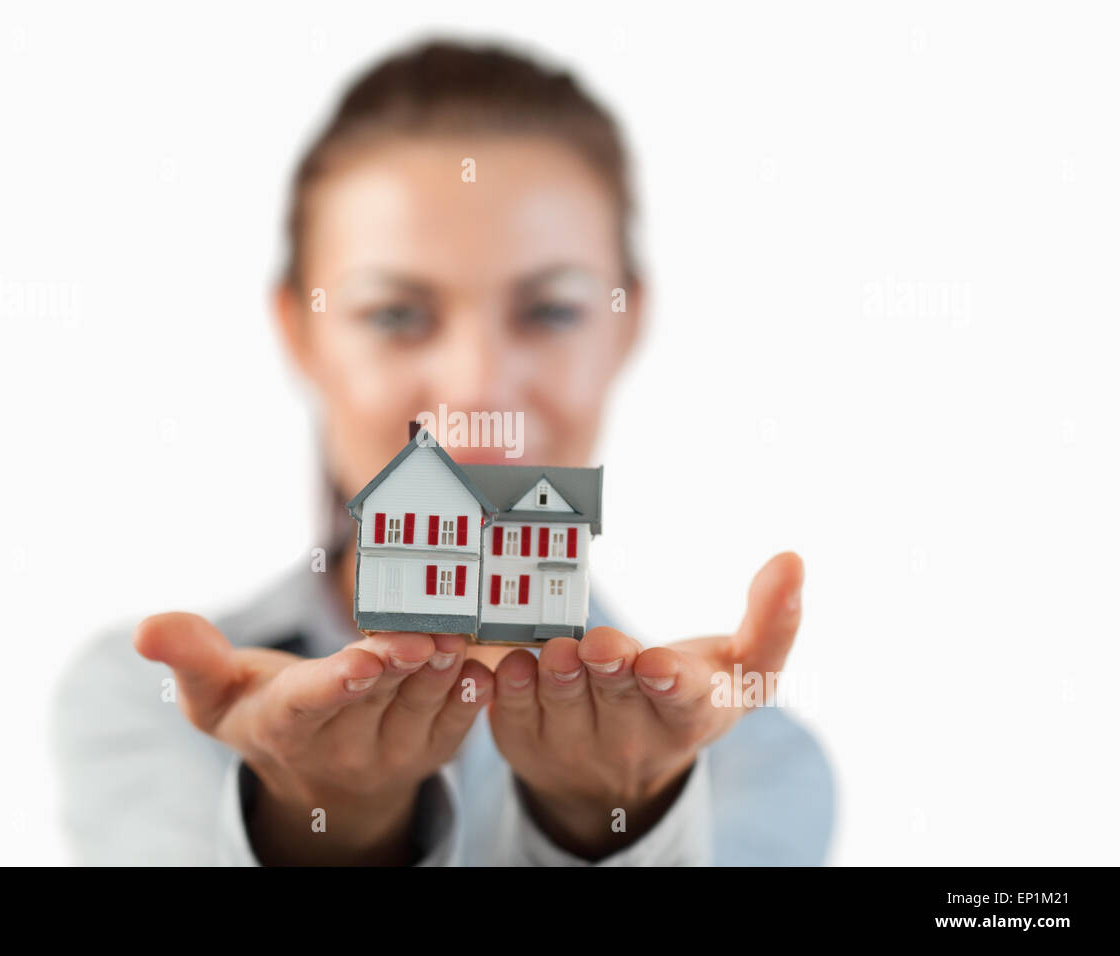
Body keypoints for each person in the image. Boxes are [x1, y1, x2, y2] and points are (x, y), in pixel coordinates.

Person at [52, 38, 835, 866]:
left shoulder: (755, 765)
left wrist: (619, 824)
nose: (476, 390)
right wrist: (330, 828)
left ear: (628, 324)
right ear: (300, 333)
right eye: (396, 315)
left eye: (552, 312)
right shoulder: (150, 701)